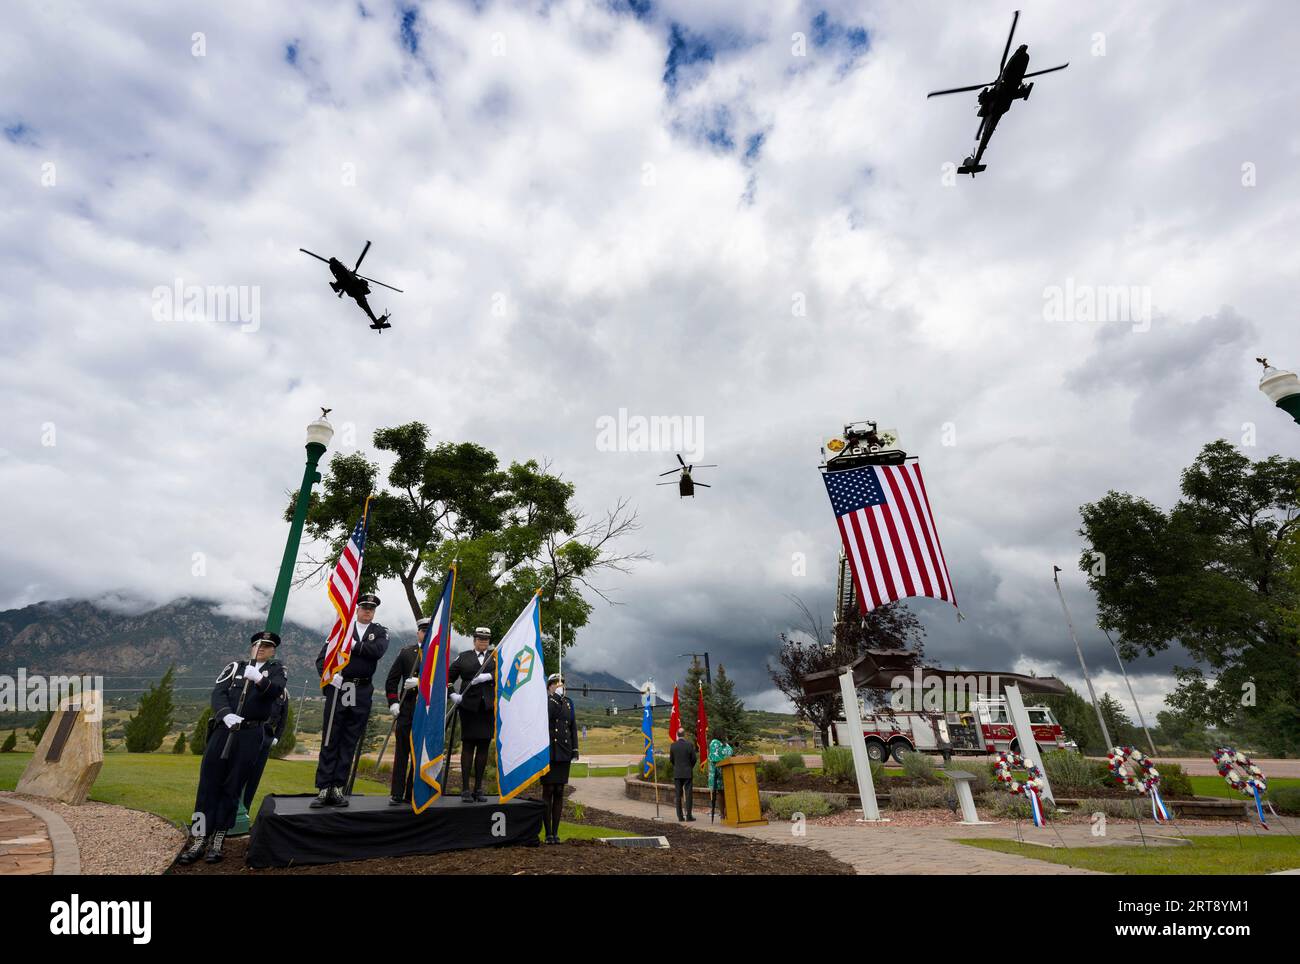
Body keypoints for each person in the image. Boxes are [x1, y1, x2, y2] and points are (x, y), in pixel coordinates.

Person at [178, 630, 287, 865]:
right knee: (208, 784)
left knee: (233, 785)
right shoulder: (234, 668)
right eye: (258, 645)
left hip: (250, 733)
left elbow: (277, 692)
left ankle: (218, 838)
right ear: (251, 647)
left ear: (272, 651)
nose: (261, 649)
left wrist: (260, 680)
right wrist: (225, 715)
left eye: (266, 646)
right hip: (224, 729)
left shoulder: (276, 670)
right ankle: (199, 837)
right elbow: (219, 693)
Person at [313, 592, 389, 808]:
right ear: (356, 609)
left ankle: (338, 787)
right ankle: (323, 787)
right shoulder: (341, 630)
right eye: (364, 607)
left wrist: (353, 645)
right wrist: (329, 676)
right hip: (341, 687)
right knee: (331, 736)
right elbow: (322, 659)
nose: (367, 611)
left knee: (349, 739)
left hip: (361, 688)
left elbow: (377, 651)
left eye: (371, 609)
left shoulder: (379, 631)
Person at [448, 627, 496, 801]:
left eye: (486, 640)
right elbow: (448, 677)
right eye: (480, 639)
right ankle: (466, 789)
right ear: (474, 640)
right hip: (468, 707)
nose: (483, 642)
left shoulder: (495, 657)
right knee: (468, 747)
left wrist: (488, 676)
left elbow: (505, 673)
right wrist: (452, 693)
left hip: (487, 708)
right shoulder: (464, 657)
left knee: (483, 747)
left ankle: (478, 789)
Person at [384, 617, 426, 805]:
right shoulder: (406, 653)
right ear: (418, 632)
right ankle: (397, 792)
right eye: (423, 631)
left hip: (425, 711)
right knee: (402, 752)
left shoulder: (438, 656)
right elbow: (391, 681)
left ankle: (412, 793)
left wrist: (422, 683)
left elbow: (441, 684)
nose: (425, 634)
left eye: (428, 631)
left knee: (419, 754)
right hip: (407, 708)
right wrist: (393, 702)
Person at [540, 673, 578, 844]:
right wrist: (555, 696)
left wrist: (575, 749)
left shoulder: (569, 703)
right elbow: (549, 715)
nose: (559, 685)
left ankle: (555, 833)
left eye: (562, 683)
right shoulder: (545, 701)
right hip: (549, 751)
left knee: (560, 791)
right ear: (549, 686)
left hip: (564, 751)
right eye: (555, 683)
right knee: (548, 790)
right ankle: (547, 833)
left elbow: (572, 727)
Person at [669, 728, 698, 822]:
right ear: (684, 735)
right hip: (687, 772)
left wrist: (677, 767)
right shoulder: (689, 745)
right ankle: (689, 816)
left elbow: (671, 760)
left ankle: (680, 817)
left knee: (678, 795)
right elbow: (694, 759)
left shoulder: (673, 746)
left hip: (677, 773)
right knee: (688, 795)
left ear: (677, 735)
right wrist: (690, 767)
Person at [708, 729, 734, 814]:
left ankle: (728, 812)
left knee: (725, 792)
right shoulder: (714, 743)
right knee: (720, 792)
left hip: (726, 771)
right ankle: (723, 813)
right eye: (724, 734)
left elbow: (731, 753)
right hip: (718, 772)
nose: (725, 736)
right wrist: (726, 760)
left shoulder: (725, 744)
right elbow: (715, 758)